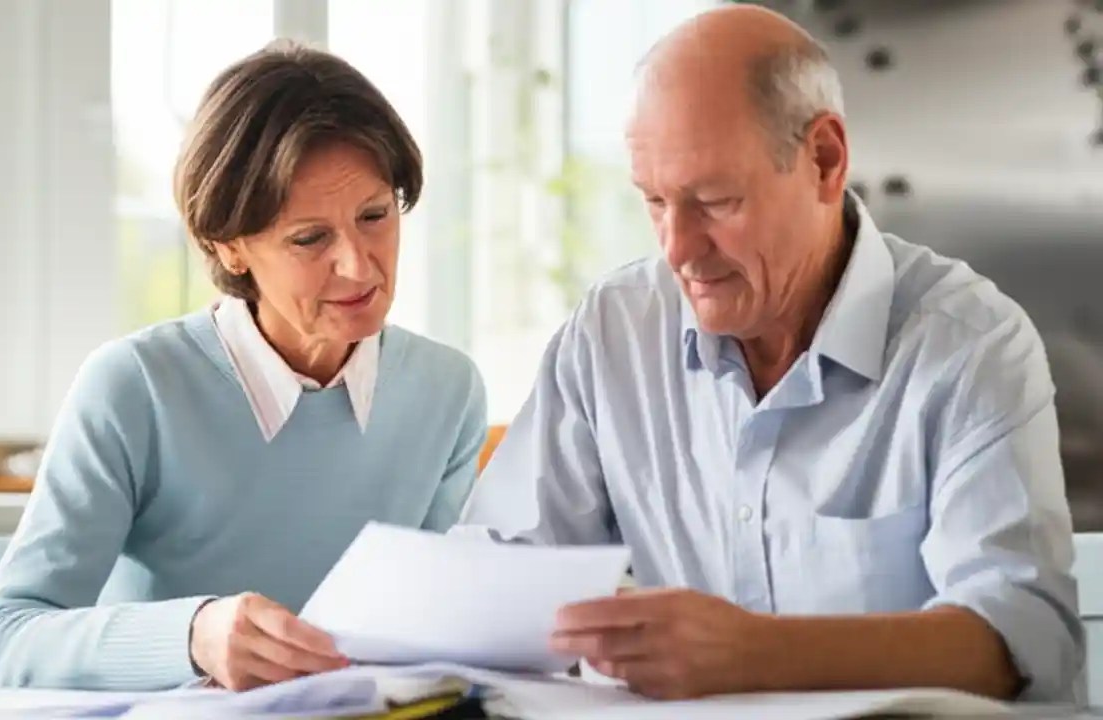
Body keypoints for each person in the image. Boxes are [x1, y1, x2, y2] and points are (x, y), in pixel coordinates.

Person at [459, 5, 1081, 704]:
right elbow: (493, 575)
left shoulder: (970, 345)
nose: (678, 249)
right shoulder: (613, 331)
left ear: (824, 160)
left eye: (715, 200)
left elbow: (1019, 638)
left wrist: (751, 652)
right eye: (655, 201)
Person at [0, 41, 487, 692]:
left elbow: (436, 628)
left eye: (374, 216)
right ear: (228, 246)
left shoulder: (447, 392)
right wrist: (194, 636)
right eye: (309, 238)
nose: (358, 265)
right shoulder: (134, 388)